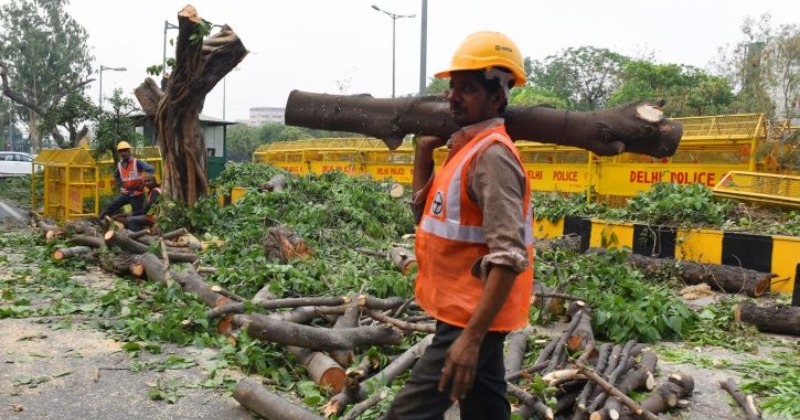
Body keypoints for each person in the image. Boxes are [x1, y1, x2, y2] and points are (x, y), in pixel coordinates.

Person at [387, 31, 534, 419]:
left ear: (498, 97)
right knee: (485, 408)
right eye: (453, 87)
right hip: (461, 311)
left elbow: (507, 256)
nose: (453, 97)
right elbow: (428, 216)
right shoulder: (465, 148)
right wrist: (423, 151)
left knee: (406, 415)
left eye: (467, 88)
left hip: (471, 317)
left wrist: (471, 339)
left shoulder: (492, 157)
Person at [99, 141, 155, 220]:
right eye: (121, 151)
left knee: (136, 216)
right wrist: (121, 187)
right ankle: (100, 220)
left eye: (125, 150)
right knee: (112, 206)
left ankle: (137, 230)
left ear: (129, 151)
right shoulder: (119, 165)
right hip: (126, 193)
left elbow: (151, 169)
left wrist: (143, 182)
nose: (123, 153)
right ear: (119, 153)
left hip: (137, 194)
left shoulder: (137, 162)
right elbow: (116, 177)